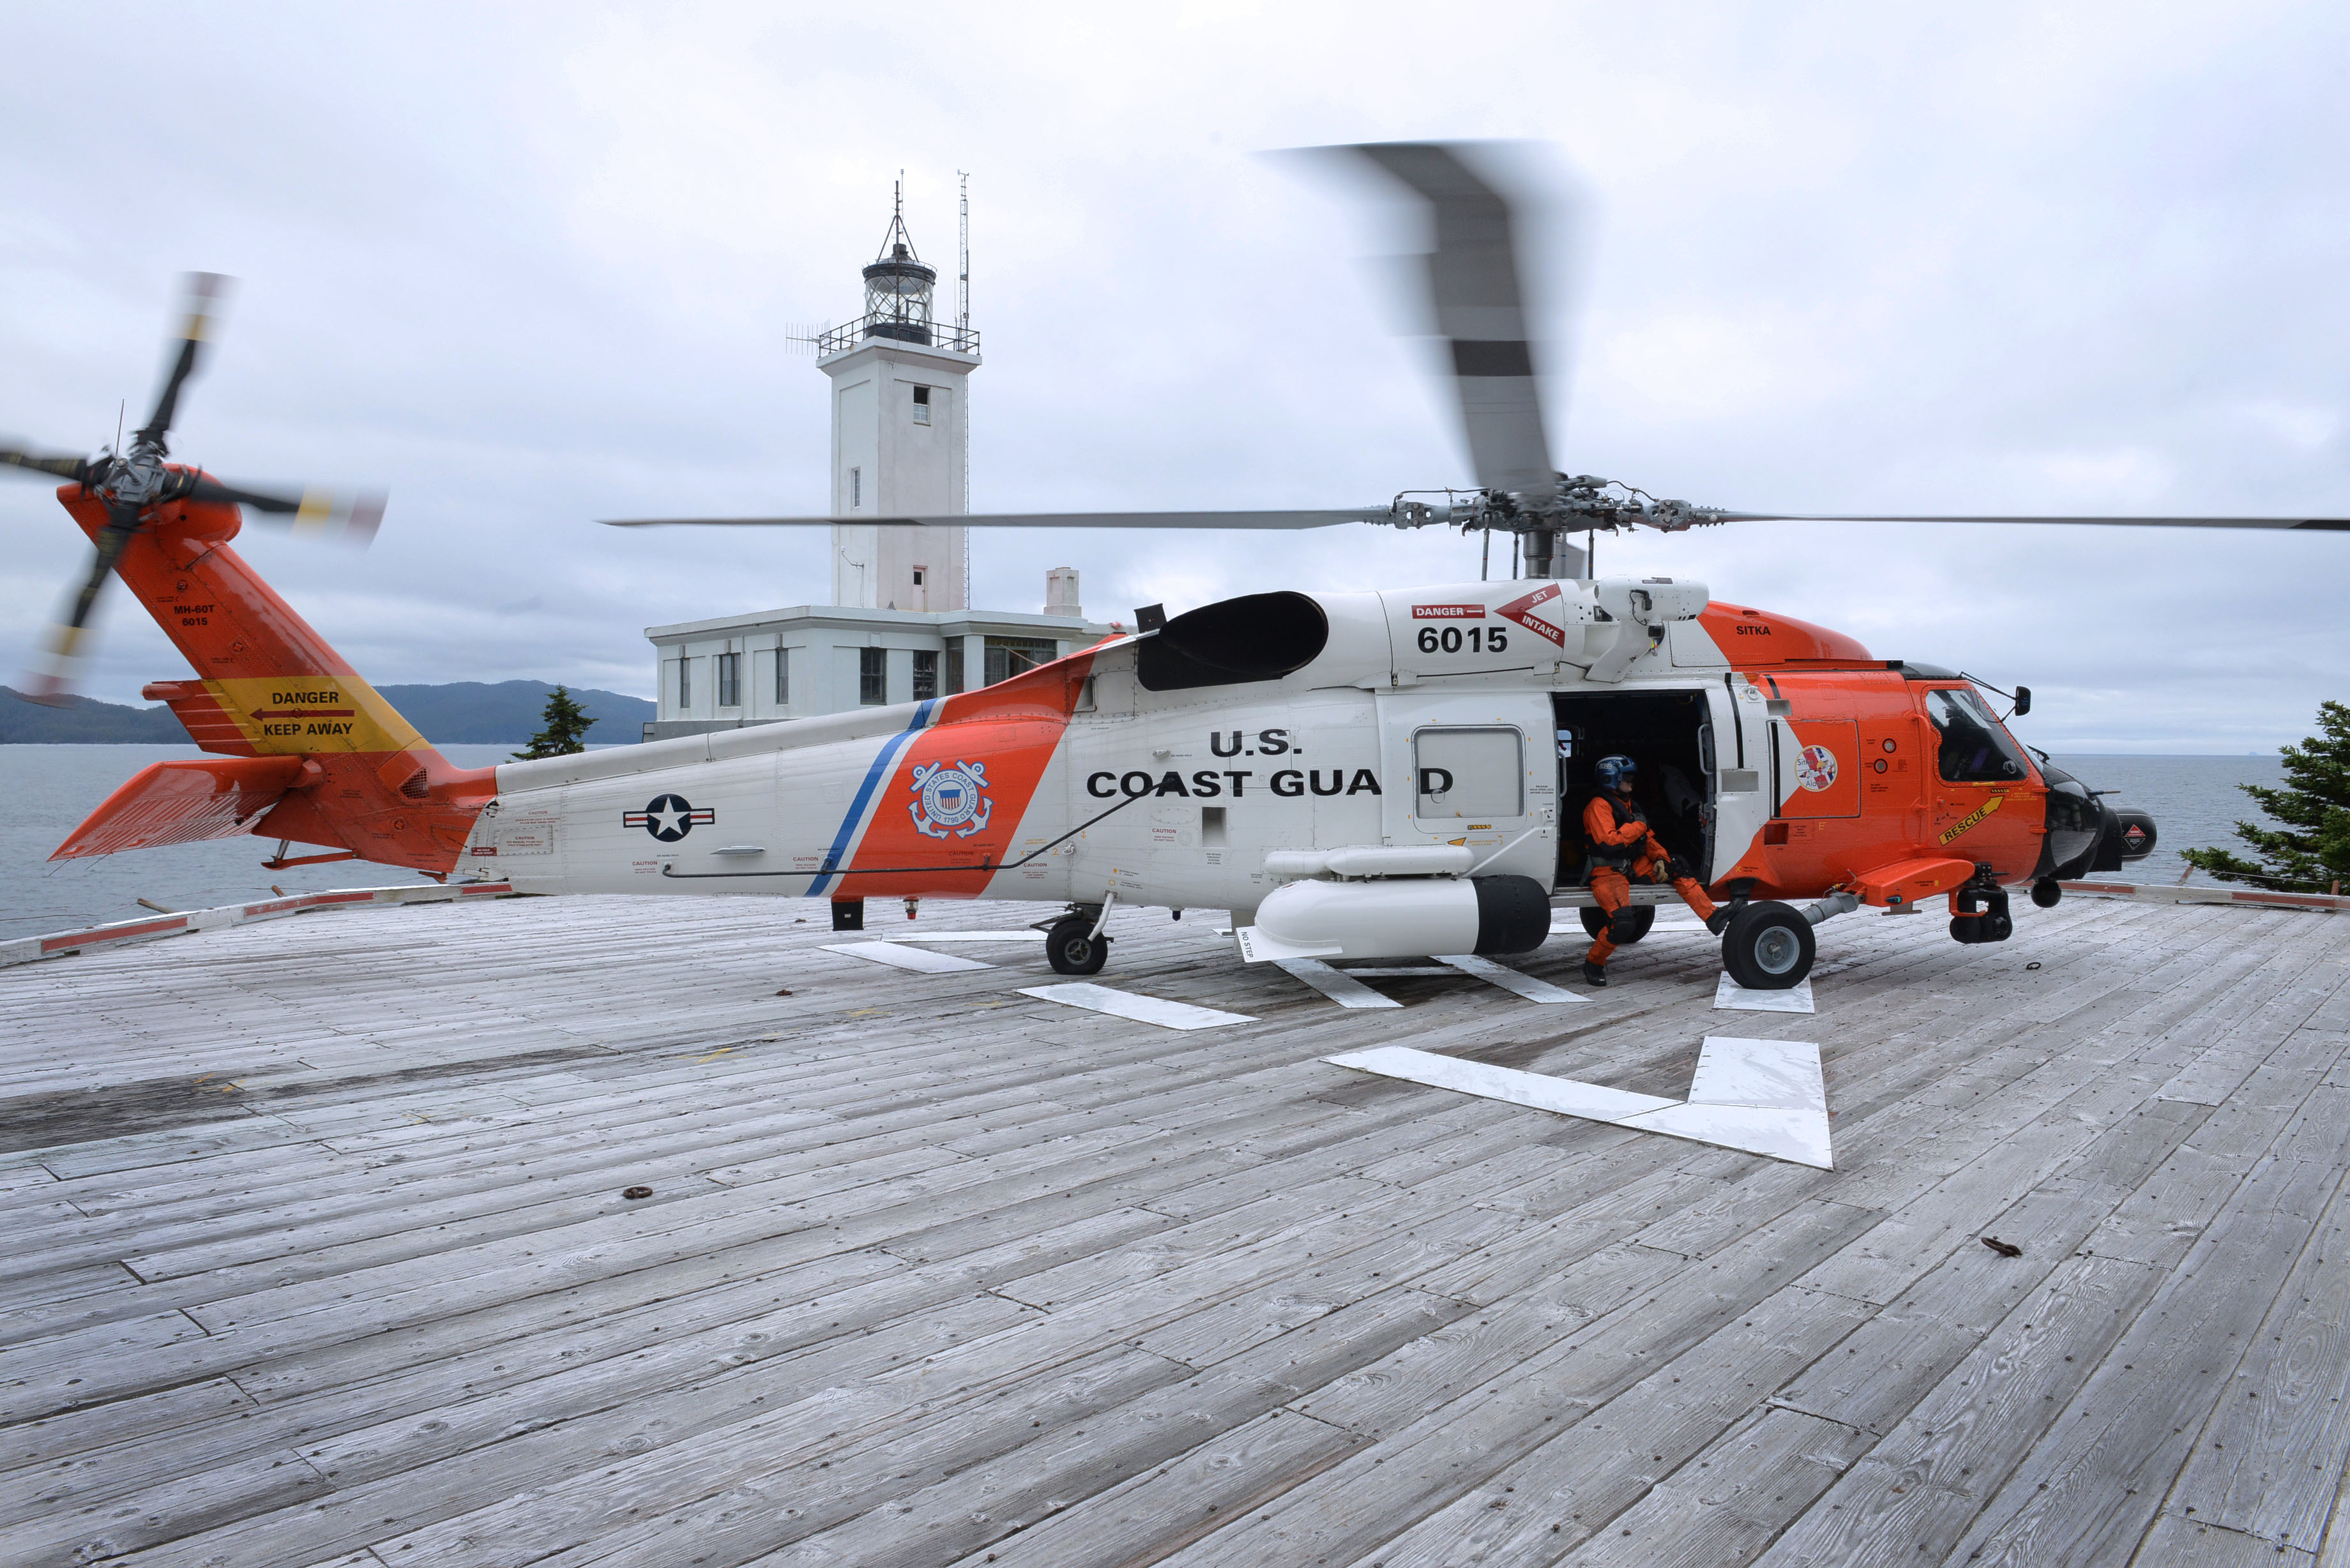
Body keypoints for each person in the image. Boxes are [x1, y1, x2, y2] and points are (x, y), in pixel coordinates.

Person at [1582, 754, 1730, 986]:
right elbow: (1609, 842)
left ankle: (1712, 916)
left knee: (1677, 866)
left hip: (1632, 866)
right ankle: (1594, 962)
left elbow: (1647, 839)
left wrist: (1661, 859)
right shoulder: (1598, 806)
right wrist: (1637, 826)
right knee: (1622, 924)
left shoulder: (1629, 804)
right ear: (1611, 778)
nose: (1632, 782)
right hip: (1607, 871)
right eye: (1627, 778)